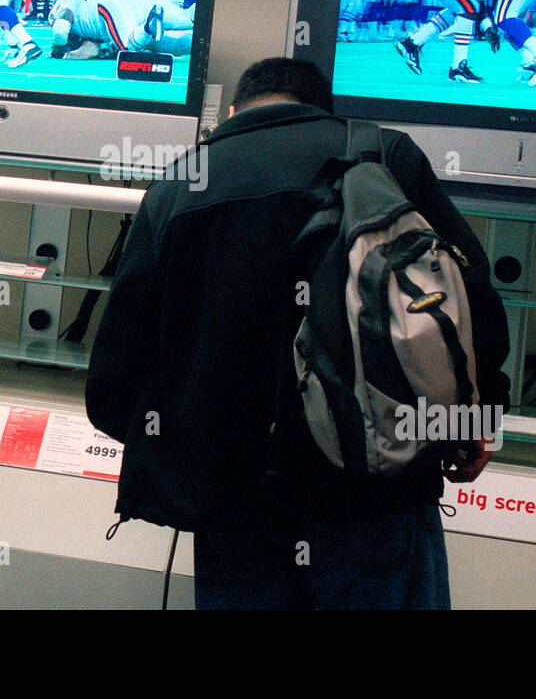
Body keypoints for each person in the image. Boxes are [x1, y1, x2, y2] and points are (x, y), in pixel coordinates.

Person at [86, 57, 509, 609]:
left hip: (236, 520)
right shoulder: (383, 156)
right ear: (322, 112)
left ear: (234, 112)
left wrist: (185, 449)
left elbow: (114, 387)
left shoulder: (179, 185)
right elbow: (473, 313)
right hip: (376, 499)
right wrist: (470, 422)